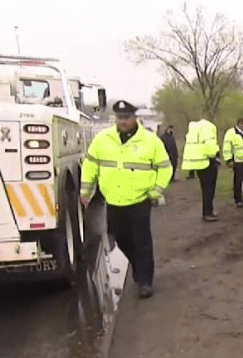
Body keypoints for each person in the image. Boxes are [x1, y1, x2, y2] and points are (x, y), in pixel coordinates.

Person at [80, 100, 173, 299]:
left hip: (140, 200)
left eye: (127, 118)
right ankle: (139, 267)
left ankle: (144, 281)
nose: (123, 121)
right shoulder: (102, 139)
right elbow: (90, 165)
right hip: (113, 200)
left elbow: (165, 167)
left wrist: (156, 191)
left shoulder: (150, 140)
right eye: (119, 118)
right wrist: (85, 191)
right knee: (120, 239)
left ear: (134, 118)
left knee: (142, 242)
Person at [181, 118, 220, 221]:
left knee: (205, 188)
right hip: (207, 162)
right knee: (209, 189)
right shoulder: (209, 128)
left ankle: (208, 211)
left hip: (197, 162)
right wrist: (215, 154)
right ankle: (208, 213)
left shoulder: (193, 130)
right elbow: (211, 147)